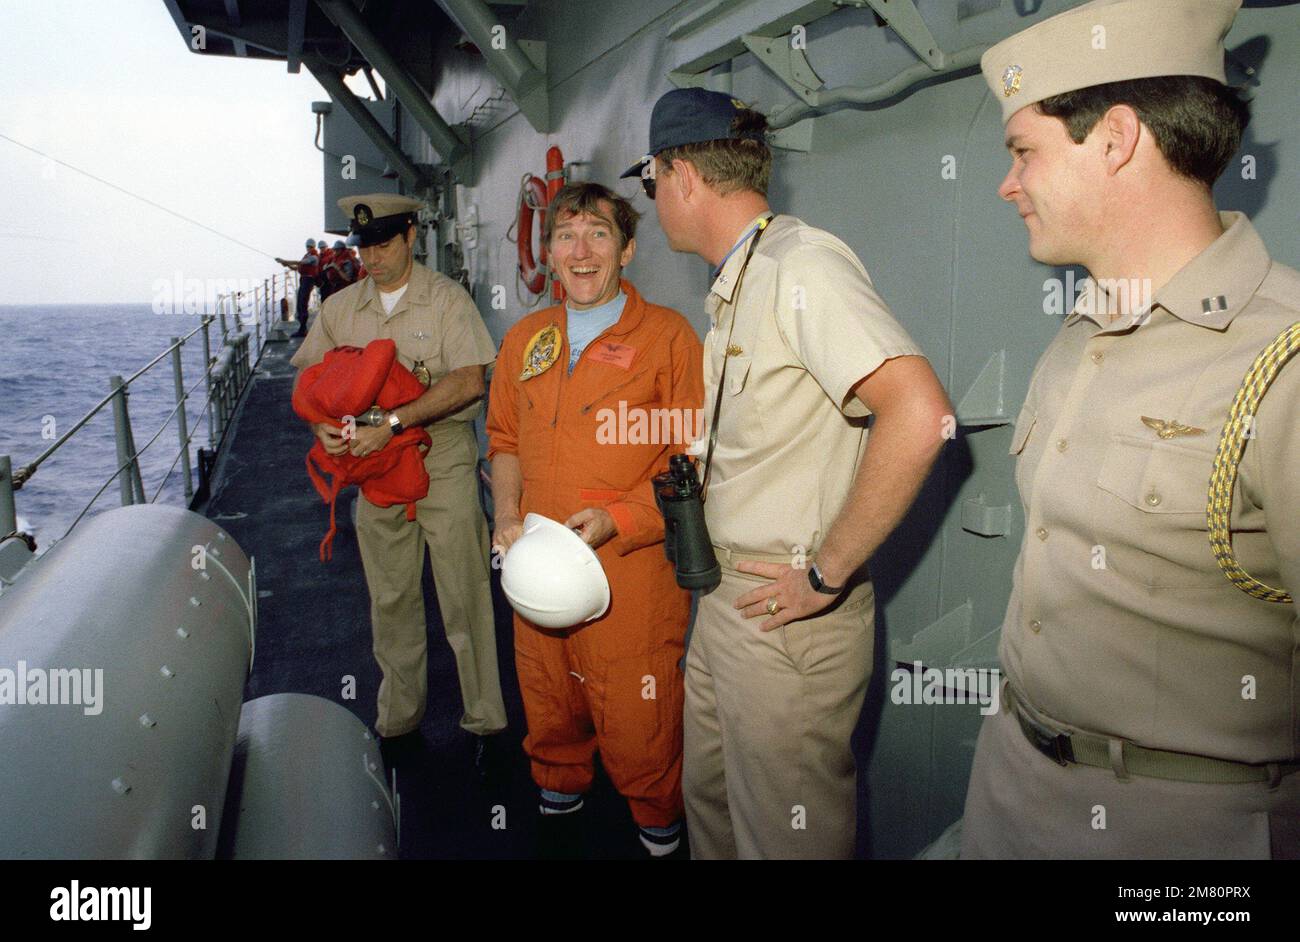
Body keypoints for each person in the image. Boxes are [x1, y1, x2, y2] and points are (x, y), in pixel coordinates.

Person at [960, 0, 1300, 859]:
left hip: (1181, 831)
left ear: (1114, 139)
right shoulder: (1084, 330)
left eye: (1022, 151)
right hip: (1010, 784)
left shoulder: (1284, 358)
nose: (1007, 183)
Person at [622, 89, 952, 858]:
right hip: (728, 603)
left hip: (786, 621)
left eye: (651, 182)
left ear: (681, 178)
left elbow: (921, 414)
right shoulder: (745, 277)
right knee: (715, 817)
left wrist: (827, 573)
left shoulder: (800, 266)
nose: (656, 200)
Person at [486, 182, 704, 857]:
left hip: (629, 570)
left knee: (640, 712)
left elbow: (690, 455)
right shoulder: (524, 339)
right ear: (548, 251)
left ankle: (656, 818)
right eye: (565, 236)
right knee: (548, 694)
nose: (581, 252)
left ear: (628, 249)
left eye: (599, 234)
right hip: (536, 562)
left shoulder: (668, 337)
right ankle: (559, 788)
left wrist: (620, 517)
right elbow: (505, 441)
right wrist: (503, 516)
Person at [289, 193, 508, 773]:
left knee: (463, 595)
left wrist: (394, 422)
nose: (373, 258)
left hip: (441, 459)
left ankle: (486, 720)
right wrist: (323, 431)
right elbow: (312, 385)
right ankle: (399, 720)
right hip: (373, 468)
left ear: (411, 235)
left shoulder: (445, 301)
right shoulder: (340, 308)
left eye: (384, 244)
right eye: (364, 247)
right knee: (390, 599)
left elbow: (468, 382)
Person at [275, 238, 320, 336]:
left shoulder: (314, 257)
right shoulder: (309, 256)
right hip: (304, 281)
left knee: (303, 304)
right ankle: (302, 328)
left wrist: (285, 260)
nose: (308, 248)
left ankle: (303, 329)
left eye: (309, 247)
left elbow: (300, 263)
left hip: (308, 281)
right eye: (308, 247)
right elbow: (297, 267)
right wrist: (286, 264)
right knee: (300, 304)